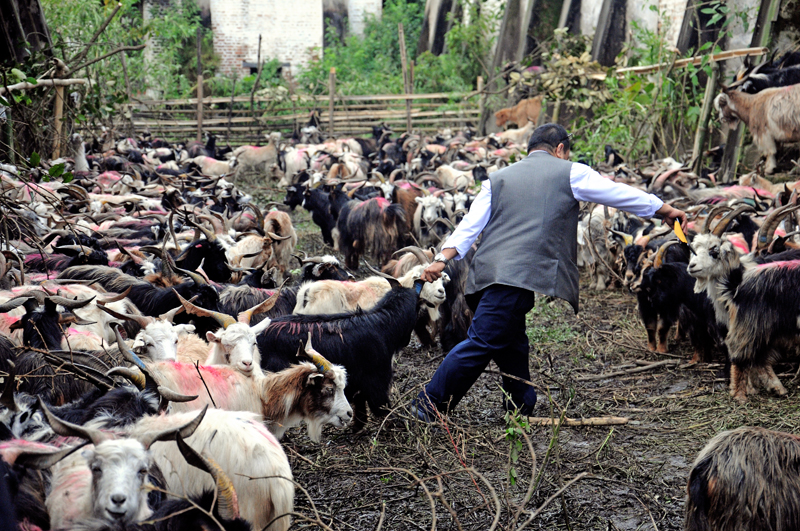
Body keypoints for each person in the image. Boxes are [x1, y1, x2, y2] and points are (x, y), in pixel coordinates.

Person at [412, 123, 686, 420]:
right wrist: (664, 211)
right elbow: (616, 193)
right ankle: (428, 404)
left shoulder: (497, 179)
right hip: (514, 277)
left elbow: (469, 226)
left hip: (485, 275)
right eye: (566, 154)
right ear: (559, 150)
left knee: (512, 341)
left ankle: (520, 406)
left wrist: (442, 258)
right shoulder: (569, 171)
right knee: (483, 341)